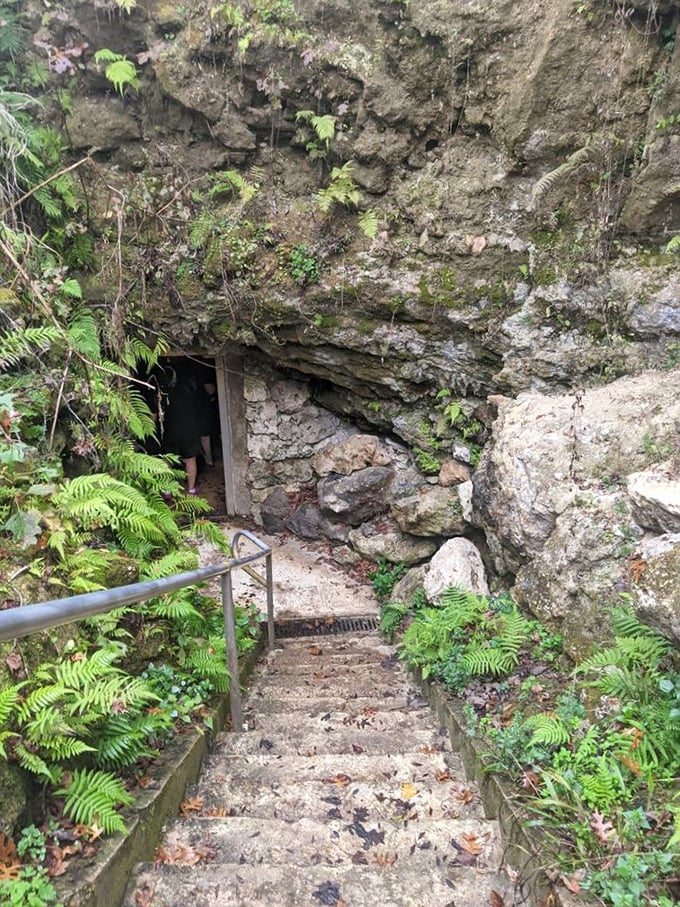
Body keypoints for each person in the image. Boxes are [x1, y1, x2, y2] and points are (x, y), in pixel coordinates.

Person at [161, 366, 203, 494]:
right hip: (188, 429)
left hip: (169, 430)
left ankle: (167, 490)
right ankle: (191, 489)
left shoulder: (162, 393)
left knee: (168, 459)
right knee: (190, 459)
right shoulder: (187, 390)